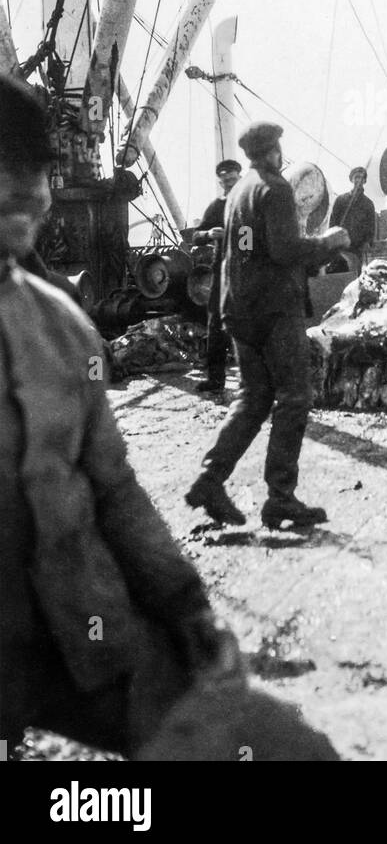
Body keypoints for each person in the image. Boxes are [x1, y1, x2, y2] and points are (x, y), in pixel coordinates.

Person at [0, 75, 233, 757]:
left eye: (41, 172)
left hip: (68, 627)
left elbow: (114, 490)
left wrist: (185, 603)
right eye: (8, 169)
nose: (34, 193)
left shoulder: (64, 330)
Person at [186, 122, 350, 529]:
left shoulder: (238, 192)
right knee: (294, 396)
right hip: (275, 310)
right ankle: (281, 496)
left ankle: (209, 480)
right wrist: (328, 242)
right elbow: (282, 250)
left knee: (254, 398)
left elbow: (246, 251)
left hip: (240, 311)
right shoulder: (275, 189)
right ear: (275, 150)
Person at [191, 158, 242, 393]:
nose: (228, 184)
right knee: (214, 326)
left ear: (239, 177)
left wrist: (236, 239)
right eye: (224, 181)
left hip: (244, 271)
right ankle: (215, 379)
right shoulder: (216, 206)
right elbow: (195, 237)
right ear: (220, 181)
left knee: (244, 326)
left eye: (232, 179)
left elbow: (251, 240)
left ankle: (250, 380)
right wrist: (209, 233)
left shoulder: (248, 203)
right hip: (220, 272)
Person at [328, 166, 376, 275]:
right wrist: (330, 241)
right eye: (356, 177)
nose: (358, 180)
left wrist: (368, 242)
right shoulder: (341, 200)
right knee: (338, 274)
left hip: (357, 247)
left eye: (361, 178)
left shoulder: (368, 204)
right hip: (340, 245)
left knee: (355, 275)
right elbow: (333, 221)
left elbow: (371, 226)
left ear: (364, 181)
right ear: (351, 179)